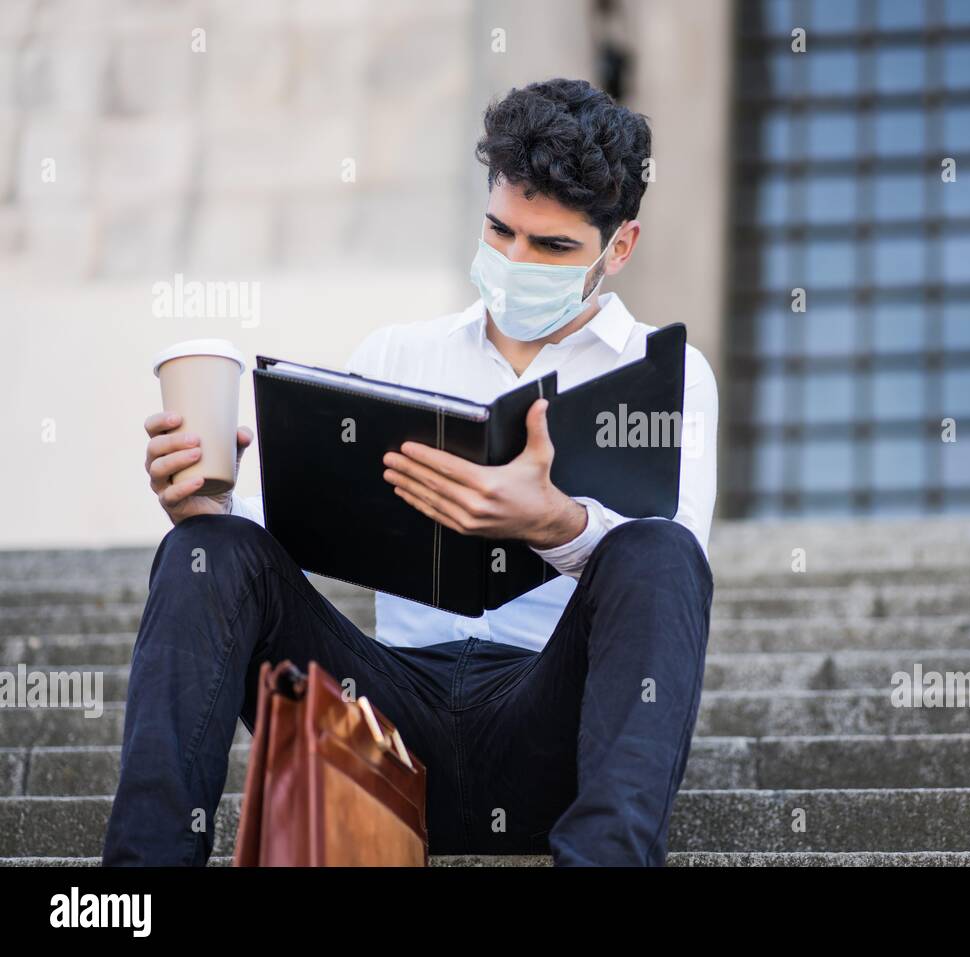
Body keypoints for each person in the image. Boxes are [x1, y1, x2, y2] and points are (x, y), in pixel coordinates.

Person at [102, 77, 718, 867]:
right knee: (208, 552)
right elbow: (289, 534)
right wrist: (207, 506)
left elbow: (676, 570)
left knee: (660, 550)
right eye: (500, 231)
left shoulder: (666, 375)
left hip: (549, 727)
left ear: (618, 247)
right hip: (382, 728)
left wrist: (552, 521)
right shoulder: (397, 355)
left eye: (552, 246)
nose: (515, 259)